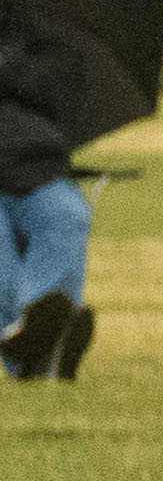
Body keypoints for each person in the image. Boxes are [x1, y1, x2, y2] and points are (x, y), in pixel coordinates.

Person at [0, 23, 96, 380]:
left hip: (38, 167)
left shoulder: (48, 38)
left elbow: (69, 96)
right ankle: (34, 344)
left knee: (68, 217)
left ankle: (40, 333)